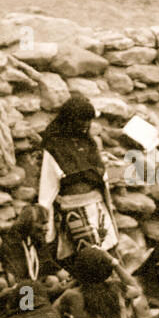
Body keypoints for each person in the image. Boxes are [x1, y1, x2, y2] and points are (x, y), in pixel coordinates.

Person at [38, 94, 119, 261]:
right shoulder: (55, 146)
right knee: (91, 255)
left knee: (109, 248)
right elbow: (48, 185)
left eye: (89, 120)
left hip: (97, 206)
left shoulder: (89, 143)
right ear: (69, 120)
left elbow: (100, 173)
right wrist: (45, 222)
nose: (86, 125)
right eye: (81, 120)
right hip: (74, 209)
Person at [0, 204, 60, 289]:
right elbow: (17, 277)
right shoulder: (12, 243)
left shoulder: (37, 240)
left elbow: (48, 264)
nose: (47, 228)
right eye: (42, 223)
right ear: (28, 223)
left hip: (34, 284)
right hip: (20, 289)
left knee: (53, 280)